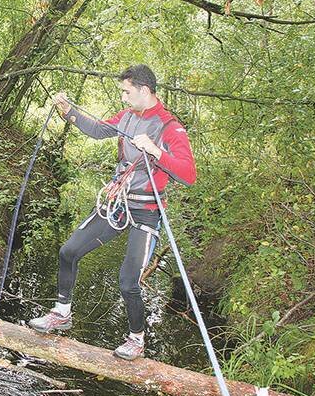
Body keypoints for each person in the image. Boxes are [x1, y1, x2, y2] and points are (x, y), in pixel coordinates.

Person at [28, 64, 197, 360]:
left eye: (126, 92)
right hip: (118, 204)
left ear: (144, 90)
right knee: (68, 251)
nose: (123, 97)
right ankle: (62, 313)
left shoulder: (170, 127)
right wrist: (68, 110)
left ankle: (136, 338)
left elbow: (188, 174)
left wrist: (158, 152)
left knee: (128, 281)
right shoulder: (127, 117)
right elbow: (96, 129)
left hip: (146, 210)